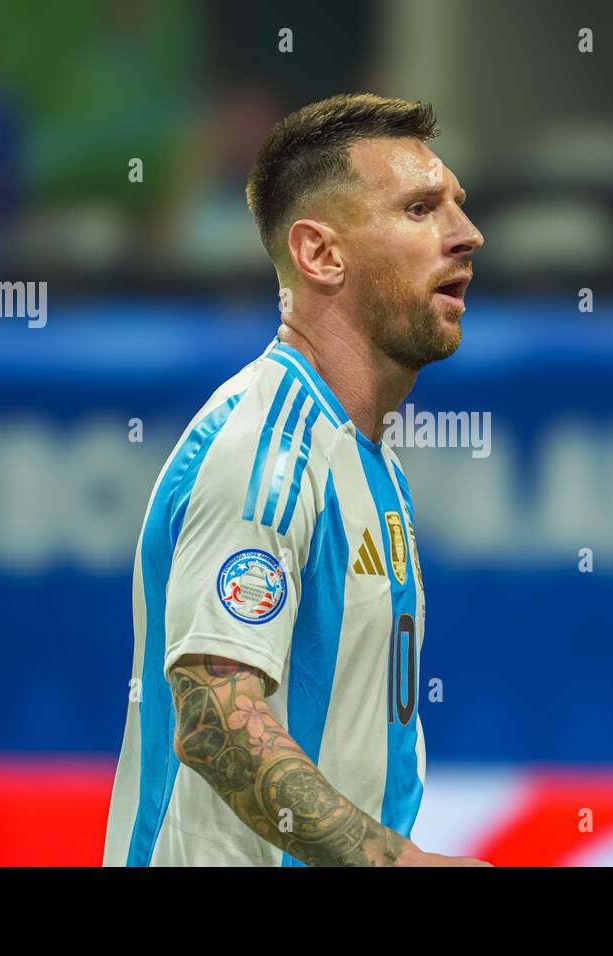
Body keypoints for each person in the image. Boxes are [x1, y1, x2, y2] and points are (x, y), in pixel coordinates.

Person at [103, 93, 487, 866]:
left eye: (457, 205)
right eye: (421, 209)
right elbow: (215, 722)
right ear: (320, 255)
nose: (467, 235)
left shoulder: (364, 457)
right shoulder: (271, 449)